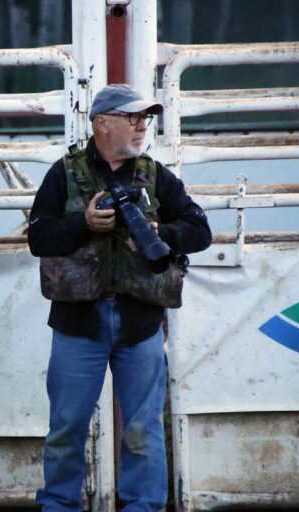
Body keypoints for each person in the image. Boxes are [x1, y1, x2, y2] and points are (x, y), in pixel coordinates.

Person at [28, 84, 211, 512]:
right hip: (78, 325)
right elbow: (38, 237)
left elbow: (200, 229)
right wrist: (84, 223)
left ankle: (142, 508)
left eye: (146, 119)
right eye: (133, 118)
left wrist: (158, 234)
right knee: (66, 429)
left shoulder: (155, 174)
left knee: (144, 431)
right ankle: (58, 506)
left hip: (140, 324)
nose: (143, 126)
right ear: (101, 123)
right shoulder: (63, 173)